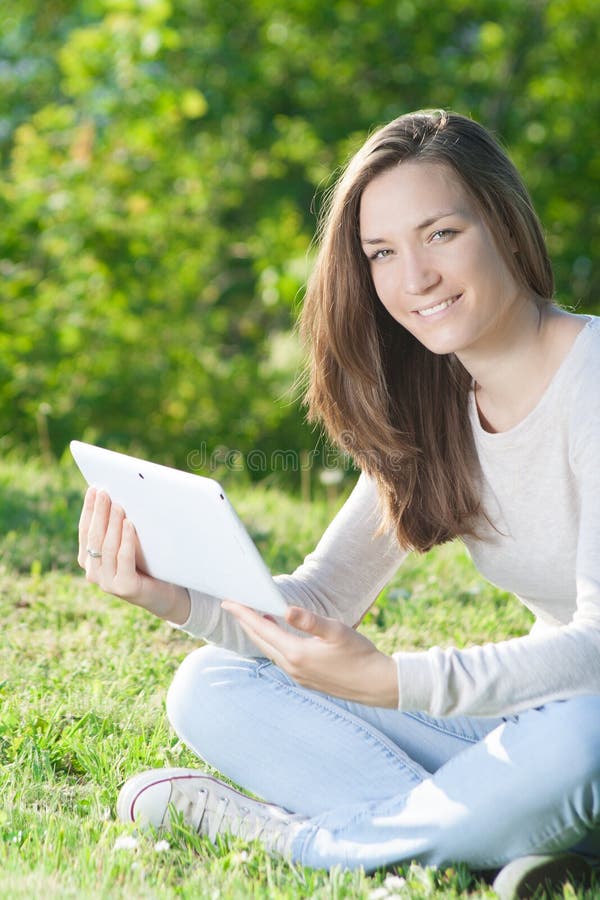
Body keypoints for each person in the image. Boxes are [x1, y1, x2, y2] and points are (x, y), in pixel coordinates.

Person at [78, 109, 600, 896]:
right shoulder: (438, 404)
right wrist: (175, 595)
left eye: (441, 234)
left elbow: (594, 651)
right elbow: (319, 600)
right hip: (535, 732)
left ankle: (303, 842)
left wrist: (393, 682)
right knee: (215, 686)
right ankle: (507, 837)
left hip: (580, 735)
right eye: (381, 253)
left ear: (508, 227)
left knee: (580, 739)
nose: (413, 278)